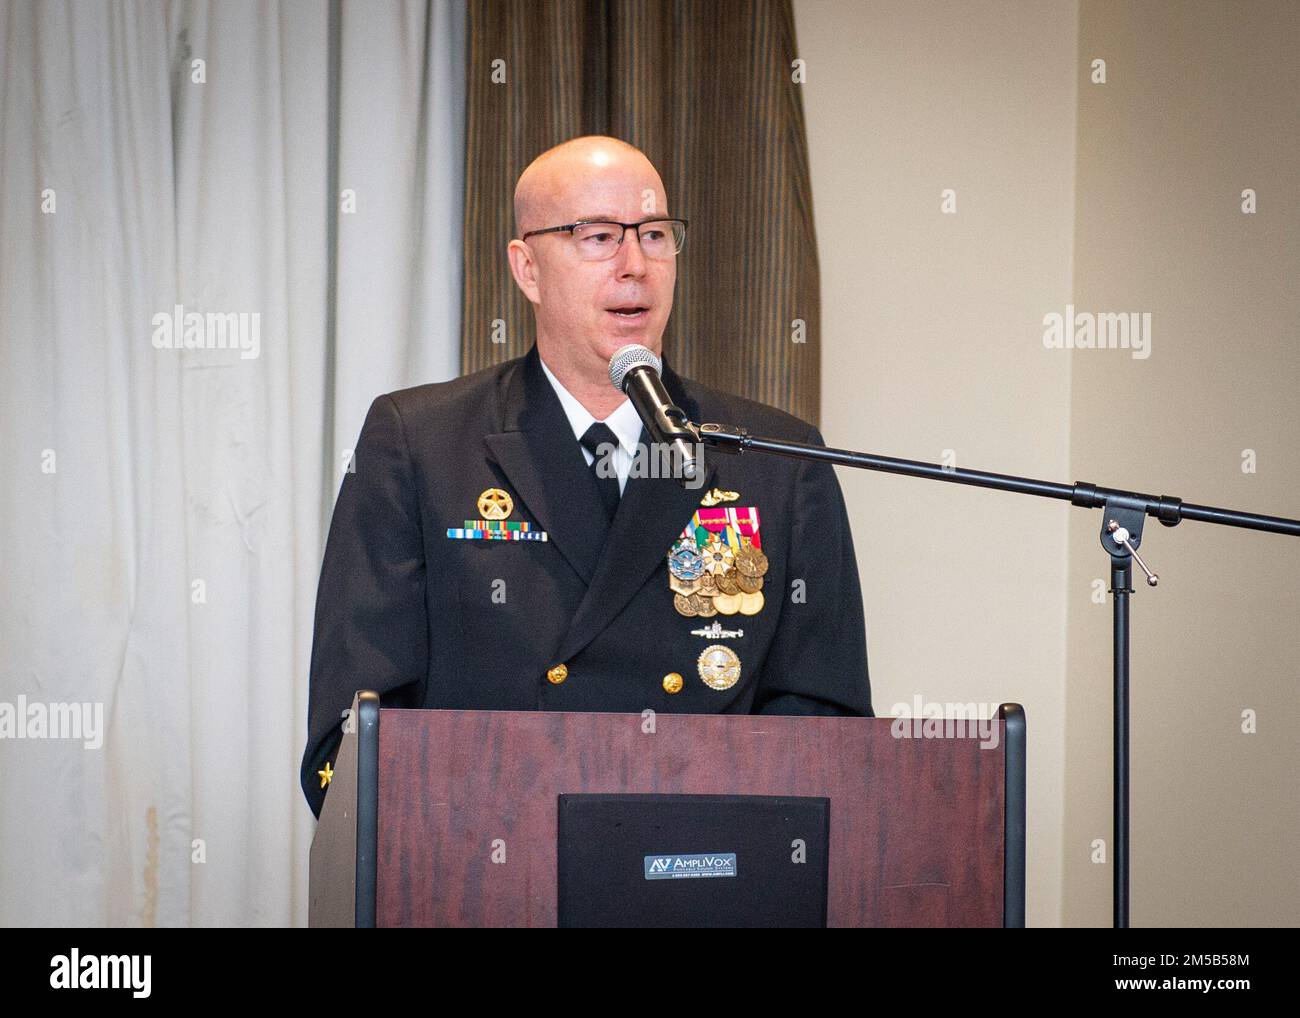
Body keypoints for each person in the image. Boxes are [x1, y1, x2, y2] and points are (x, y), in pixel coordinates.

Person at [300, 136, 872, 818]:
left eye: (655, 235)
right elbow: (355, 725)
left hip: (698, 868)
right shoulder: (418, 442)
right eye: (597, 236)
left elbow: (825, 730)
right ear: (528, 268)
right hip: (482, 869)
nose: (635, 266)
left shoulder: (777, 456)